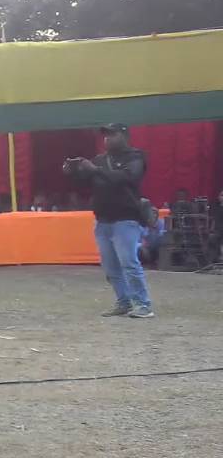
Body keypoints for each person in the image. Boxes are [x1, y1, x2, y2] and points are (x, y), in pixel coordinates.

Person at [63, 123, 153, 318]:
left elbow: (127, 178)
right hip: (102, 220)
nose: (107, 139)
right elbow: (86, 183)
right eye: (105, 136)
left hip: (126, 219)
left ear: (125, 135)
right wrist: (73, 172)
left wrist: (94, 170)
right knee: (110, 267)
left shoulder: (136, 157)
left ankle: (143, 305)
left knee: (129, 263)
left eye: (112, 135)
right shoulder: (99, 160)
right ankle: (123, 302)